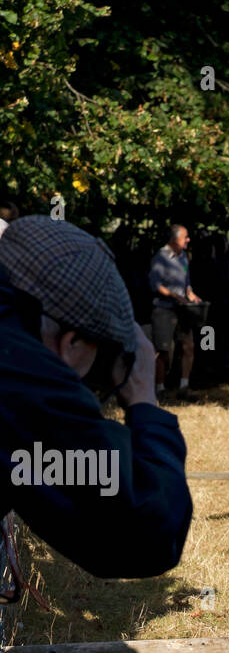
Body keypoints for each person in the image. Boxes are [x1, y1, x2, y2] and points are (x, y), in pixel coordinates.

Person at [0, 216, 191, 578]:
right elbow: (148, 535)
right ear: (72, 343)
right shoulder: (23, 377)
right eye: (98, 352)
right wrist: (144, 404)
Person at [149, 223, 203, 399]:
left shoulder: (184, 258)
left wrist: (191, 295)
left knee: (189, 346)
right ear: (174, 239)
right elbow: (155, 285)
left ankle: (184, 386)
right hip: (164, 309)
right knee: (163, 350)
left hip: (183, 310)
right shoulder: (160, 257)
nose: (188, 240)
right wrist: (173, 295)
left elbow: (186, 283)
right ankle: (160, 388)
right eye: (185, 237)